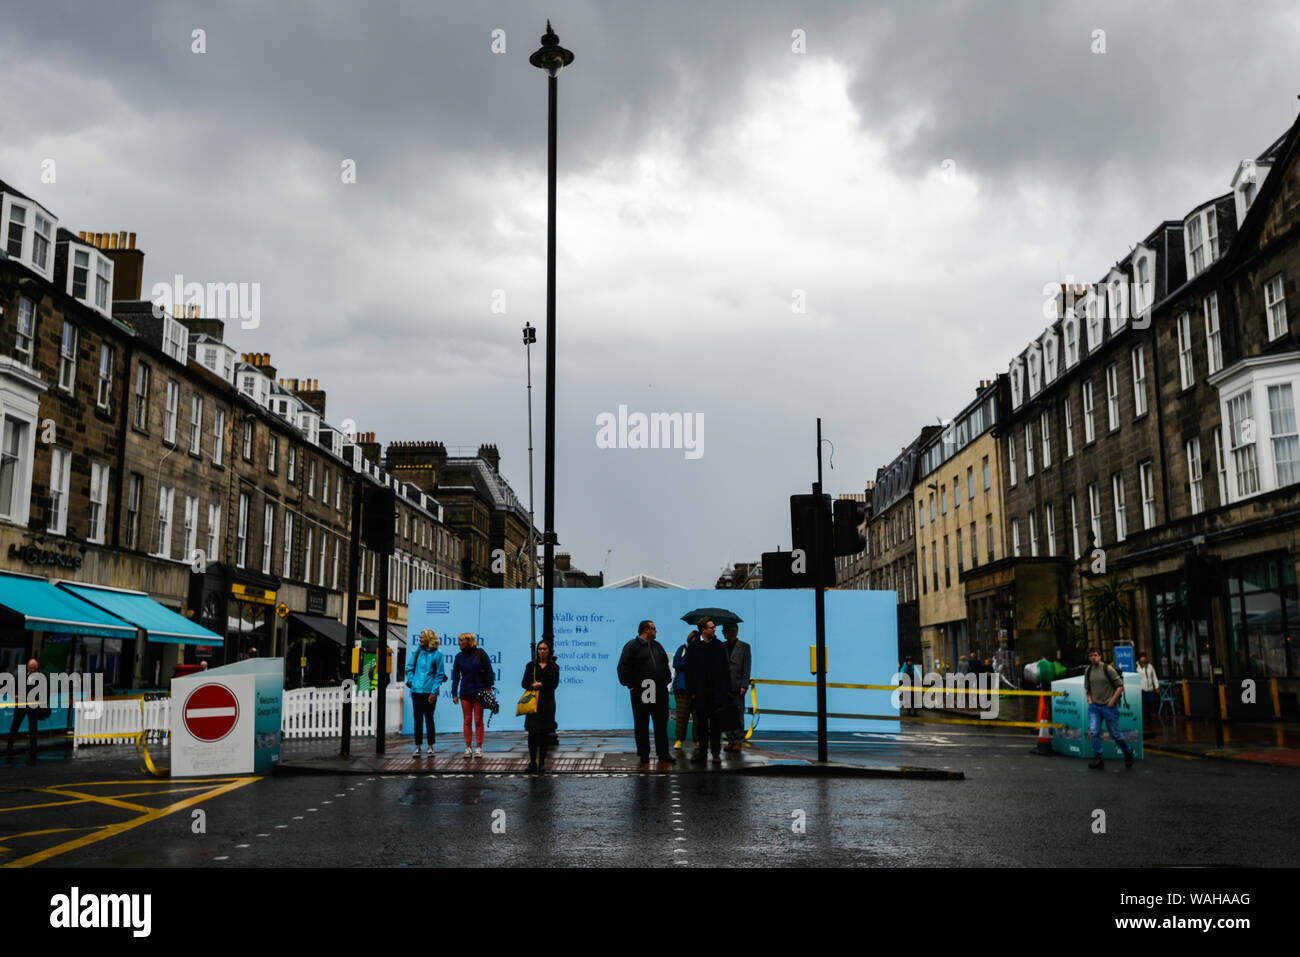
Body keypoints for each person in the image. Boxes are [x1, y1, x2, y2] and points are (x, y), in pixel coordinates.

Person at [617, 620, 675, 766]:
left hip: (660, 691)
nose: (656, 632)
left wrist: (666, 681)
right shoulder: (632, 646)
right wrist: (630, 685)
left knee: (661, 724)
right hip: (642, 690)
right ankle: (644, 754)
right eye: (654, 629)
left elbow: (664, 664)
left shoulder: (657, 646)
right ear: (646, 630)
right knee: (642, 723)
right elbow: (623, 666)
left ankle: (663, 754)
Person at [685, 619, 729, 762]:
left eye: (714, 627)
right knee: (701, 725)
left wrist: (725, 689)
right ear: (703, 630)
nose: (714, 630)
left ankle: (716, 753)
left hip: (716, 692)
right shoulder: (694, 647)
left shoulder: (719, 646)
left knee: (716, 725)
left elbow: (725, 669)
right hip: (700, 692)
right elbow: (689, 670)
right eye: (711, 627)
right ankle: (702, 753)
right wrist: (691, 691)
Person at [1084, 647, 1135, 770]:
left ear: (1100, 656)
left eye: (1095, 655)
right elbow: (1087, 688)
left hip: (1108, 707)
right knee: (1094, 732)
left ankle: (1128, 752)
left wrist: (1112, 701)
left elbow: (1120, 686)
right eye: (1091, 656)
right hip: (1095, 707)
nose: (1093, 658)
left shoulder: (1108, 669)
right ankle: (1098, 758)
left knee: (1115, 734)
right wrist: (1090, 701)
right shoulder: (1088, 670)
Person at [451, 633, 494, 758]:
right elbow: (455, 677)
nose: (459, 643)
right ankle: (468, 748)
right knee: (467, 720)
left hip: (479, 692)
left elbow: (489, 671)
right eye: (458, 640)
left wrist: (488, 687)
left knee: (478, 720)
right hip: (465, 692)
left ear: (469, 641)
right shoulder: (459, 657)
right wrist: (454, 693)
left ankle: (479, 748)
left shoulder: (480, 653)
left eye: (461, 641)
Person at [406, 629, 446, 755]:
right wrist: (412, 682)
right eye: (420, 637)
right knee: (417, 719)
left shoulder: (438, 654)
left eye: (422, 637)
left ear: (429, 638)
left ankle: (430, 746)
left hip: (430, 692)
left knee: (429, 718)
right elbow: (409, 668)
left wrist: (434, 692)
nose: (420, 639)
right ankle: (417, 746)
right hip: (416, 691)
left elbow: (440, 675)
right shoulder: (418, 652)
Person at [522, 640, 559, 773]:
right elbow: (524, 683)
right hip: (533, 703)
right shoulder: (530, 666)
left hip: (547, 704)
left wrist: (542, 685)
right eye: (540, 649)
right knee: (532, 733)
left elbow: (554, 684)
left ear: (549, 651)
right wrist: (532, 685)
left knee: (544, 734)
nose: (542, 651)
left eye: (544, 649)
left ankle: (542, 763)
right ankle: (532, 762)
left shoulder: (554, 667)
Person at [722, 623, 752, 753]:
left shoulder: (745, 647)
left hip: (738, 685)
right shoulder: (722, 646)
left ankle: (738, 741)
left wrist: (744, 685)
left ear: (733, 632)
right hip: (725, 686)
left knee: (738, 714)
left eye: (725, 631)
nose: (723, 634)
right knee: (727, 714)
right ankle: (730, 740)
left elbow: (747, 667)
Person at [6, 659, 40, 765]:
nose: (33, 670)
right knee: (15, 725)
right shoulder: (20, 676)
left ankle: (33, 750)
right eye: (31, 668)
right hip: (21, 704)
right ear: (27, 668)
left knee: (33, 727)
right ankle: (10, 745)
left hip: (32, 705)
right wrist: (15, 695)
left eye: (34, 668)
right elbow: (12, 688)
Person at [671, 630, 698, 750]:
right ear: (690, 639)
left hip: (698, 689)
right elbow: (676, 664)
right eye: (694, 639)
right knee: (682, 716)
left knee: (698, 718)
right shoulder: (682, 649)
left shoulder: (702, 650)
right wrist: (689, 657)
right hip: (682, 688)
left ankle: (698, 740)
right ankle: (679, 740)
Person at [1136, 652, 1159, 725]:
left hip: (1150, 688)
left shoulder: (1150, 666)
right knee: (1144, 703)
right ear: (1139, 658)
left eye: (1144, 657)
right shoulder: (1137, 667)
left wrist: (1157, 686)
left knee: (1151, 701)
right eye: (1142, 657)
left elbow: (1154, 677)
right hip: (1142, 688)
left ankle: (1148, 715)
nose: (1143, 658)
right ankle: (1146, 717)